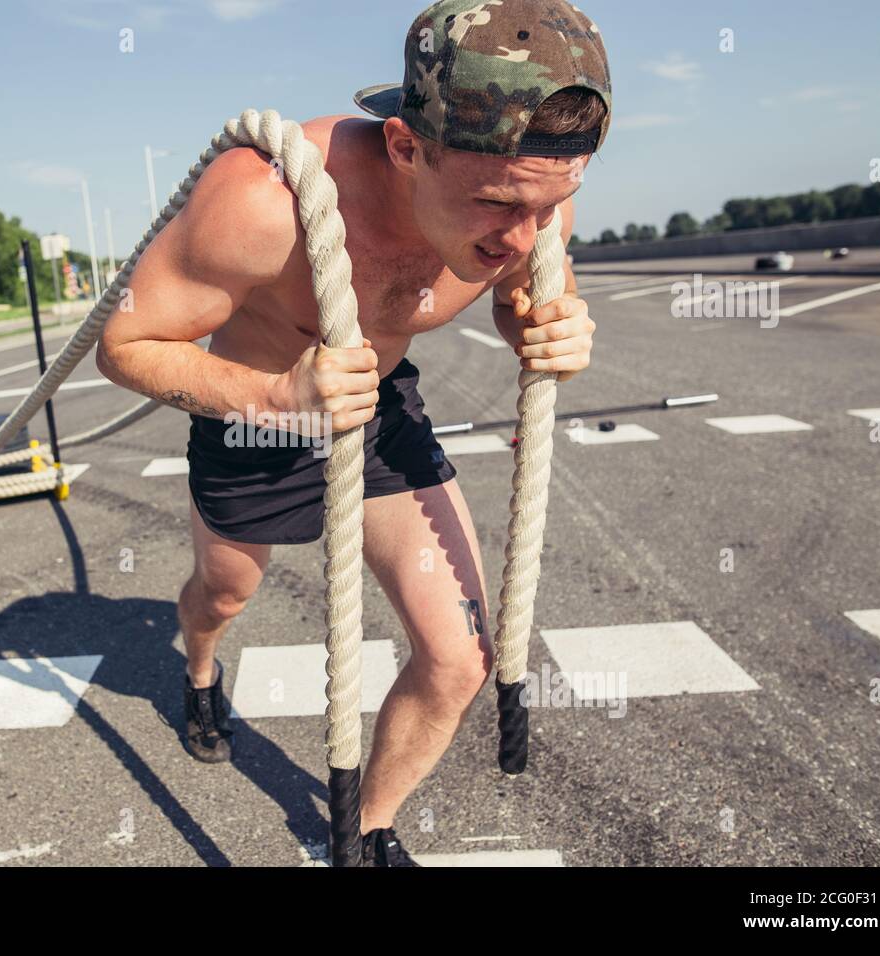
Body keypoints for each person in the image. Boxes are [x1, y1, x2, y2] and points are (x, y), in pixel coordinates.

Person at [97, 0, 610, 866]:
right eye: (495, 204)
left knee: (458, 659)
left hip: (375, 408)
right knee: (223, 595)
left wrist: (541, 328)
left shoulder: (530, 196)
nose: (524, 235)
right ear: (408, 147)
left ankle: (366, 830)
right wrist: (271, 393)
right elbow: (125, 343)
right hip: (255, 413)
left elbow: (515, 291)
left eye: (553, 203)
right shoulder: (263, 206)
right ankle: (197, 672)